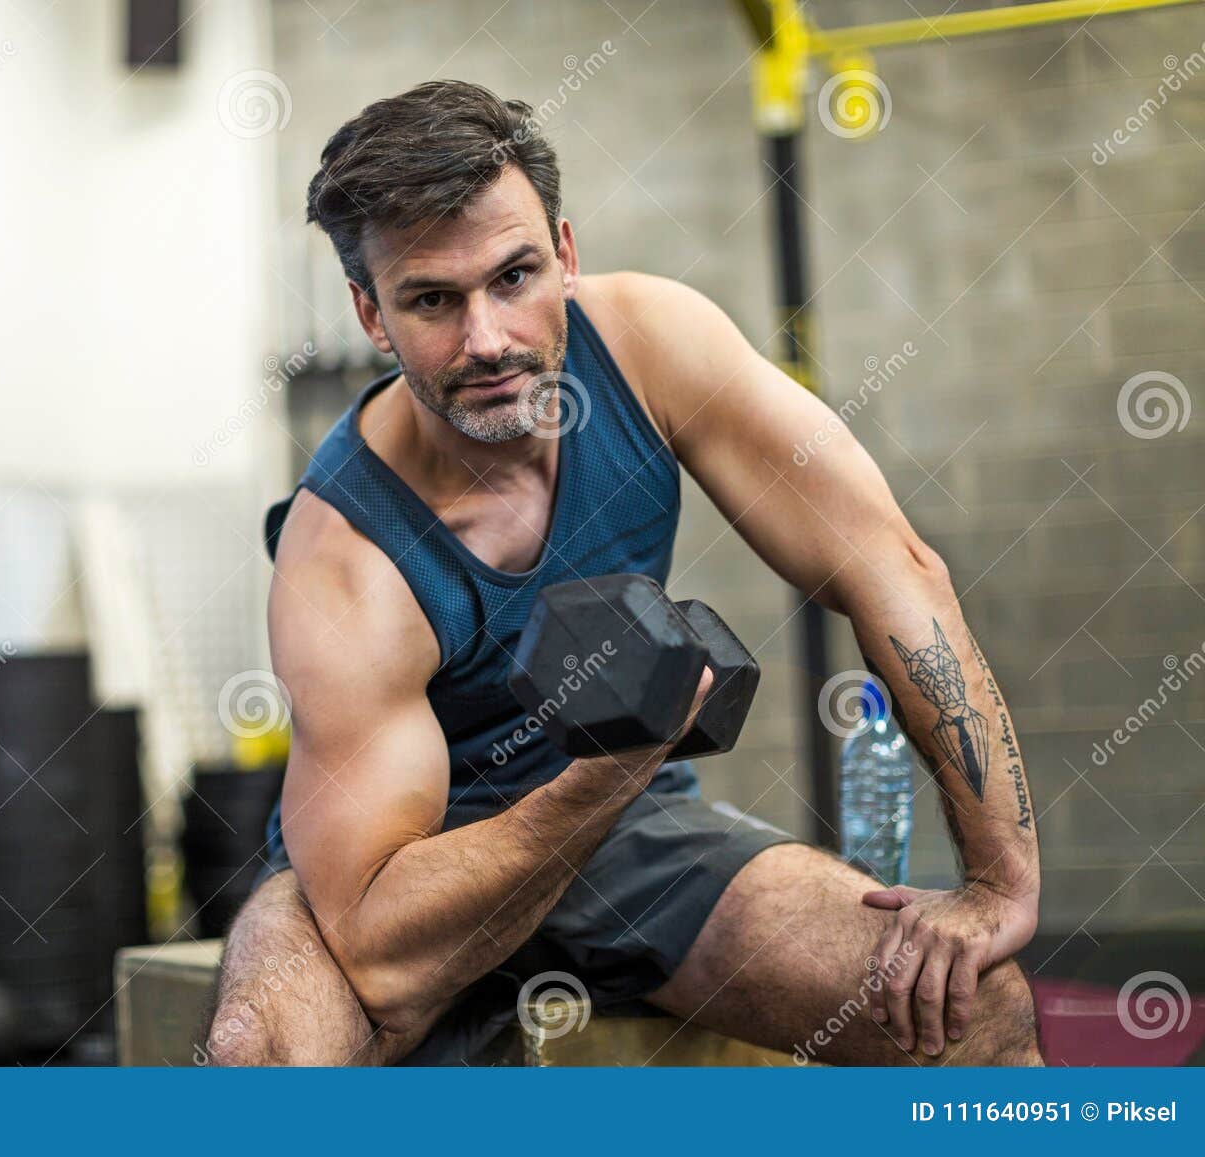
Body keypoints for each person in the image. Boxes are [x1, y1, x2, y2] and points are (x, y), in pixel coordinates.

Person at [205, 80, 1042, 1066]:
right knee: (261, 1055)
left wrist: (997, 880)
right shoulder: (342, 554)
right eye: (432, 299)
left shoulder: (647, 344)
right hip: (403, 870)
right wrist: (610, 772)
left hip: (631, 836)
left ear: (564, 253)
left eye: (513, 277)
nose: (487, 340)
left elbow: (886, 564)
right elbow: (381, 951)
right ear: (371, 315)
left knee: (967, 1005)